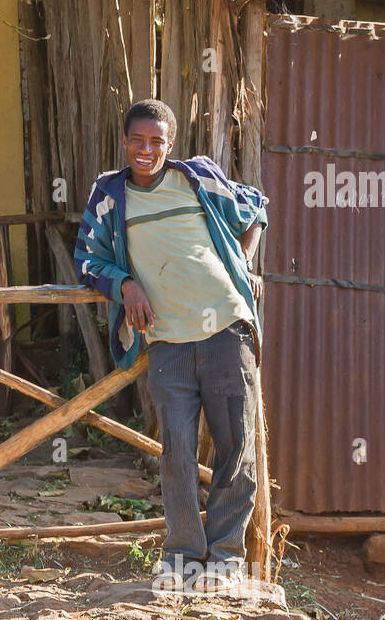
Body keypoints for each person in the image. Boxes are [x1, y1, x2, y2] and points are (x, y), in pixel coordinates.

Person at [75, 100, 269, 593]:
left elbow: (256, 207)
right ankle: (183, 557)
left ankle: (225, 558)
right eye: (137, 140)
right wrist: (125, 285)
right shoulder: (109, 195)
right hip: (167, 341)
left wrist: (243, 264)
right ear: (124, 142)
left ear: (171, 144)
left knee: (236, 446)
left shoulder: (196, 178)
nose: (146, 150)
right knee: (176, 451)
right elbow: (88, 260)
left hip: (226, 327)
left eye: (156, 141)